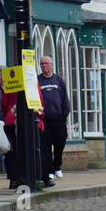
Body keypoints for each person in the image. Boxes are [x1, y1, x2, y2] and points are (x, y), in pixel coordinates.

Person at [37, 54, 71, 182]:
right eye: (42, 64)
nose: (44, 66)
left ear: (52, 65)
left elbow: (65, 99)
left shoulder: (58, 80)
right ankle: (50, 169)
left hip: (58, 118)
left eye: (46, 63)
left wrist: (64, 114)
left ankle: (57, 166)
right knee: (46, 146)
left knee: (60, 143)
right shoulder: (38, 80)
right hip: (44, 118)